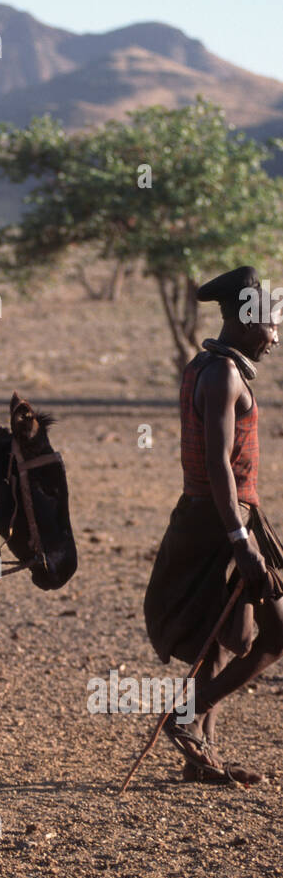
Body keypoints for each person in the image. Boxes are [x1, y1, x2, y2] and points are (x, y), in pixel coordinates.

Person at [144, 265, 283, 784]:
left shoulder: (207, 365)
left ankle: (203, 757)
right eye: (272, 325)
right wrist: (240, 540)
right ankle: (185, 718)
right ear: (247, 322)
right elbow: (218, 464)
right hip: (220, 520)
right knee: (274, 637)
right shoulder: (223, 374)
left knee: (226, 640)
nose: (276, 337)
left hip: (220, 517)